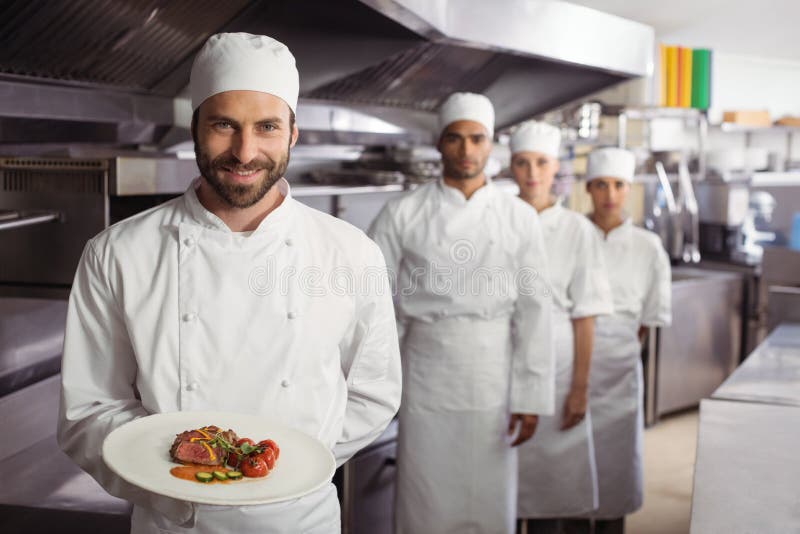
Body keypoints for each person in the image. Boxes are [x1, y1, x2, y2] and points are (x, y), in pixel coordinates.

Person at [57, 32, 402, 534]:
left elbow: (373, 393)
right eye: (224, 125)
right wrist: (177, 477)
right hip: (173, 522)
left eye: (266, 127)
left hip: (300, 521)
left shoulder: (350, 253)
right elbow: (88, 410)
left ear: (293, 134)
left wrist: (287, 469)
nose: (245, 151)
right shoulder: (118, 252)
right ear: (195, 127)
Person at [368, 92, 555, 534]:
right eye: (455, 138)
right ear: (439, 143)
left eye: (477, 139)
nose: (467, 150)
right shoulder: (403, 213)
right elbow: (372, 301)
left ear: (491, 145)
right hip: (426, 368)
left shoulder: (518, 217)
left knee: (488, 498)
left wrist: (531, 396)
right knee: (424, 496)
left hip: (494, 370)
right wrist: (376, 381)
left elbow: (534, 310)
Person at [510, 122, 613, 534]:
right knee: (500, 480)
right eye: (522, 163)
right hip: (504, 359)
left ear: (556, 169)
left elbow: (585, 313)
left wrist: (580, 387)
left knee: (552, 481)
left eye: (541, 163)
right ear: (511, 168)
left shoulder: (577, 230)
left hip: (559, 364)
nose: (532, 173)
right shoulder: (499, 217)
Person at [570, 147, 672, 534]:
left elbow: (647, 317)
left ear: (628, 189)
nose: (609, 194)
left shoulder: (648, 246)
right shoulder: (572, 233)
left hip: (620, 373)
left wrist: (617, 345)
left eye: (617, 185)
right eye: (600, 185)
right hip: (572, 364)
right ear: (588, 189)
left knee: (615, 465)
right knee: (572, 466)